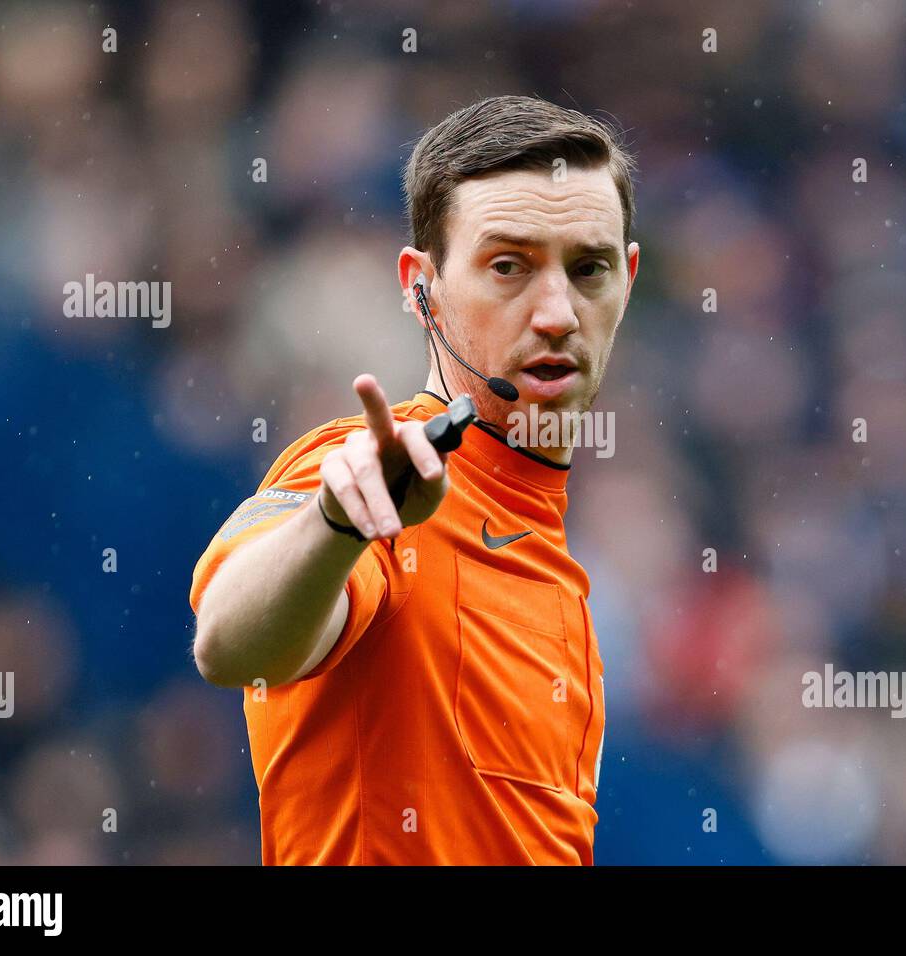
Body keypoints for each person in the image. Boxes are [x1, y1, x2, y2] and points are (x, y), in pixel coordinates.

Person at [189, 94, 640, 864]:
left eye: (589, 268)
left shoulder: (559, 571)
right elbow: (230, 646)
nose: (559, 312)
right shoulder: (374, 475)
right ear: (419, 286)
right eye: (509, 266)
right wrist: (336, 523)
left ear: (627, 280)